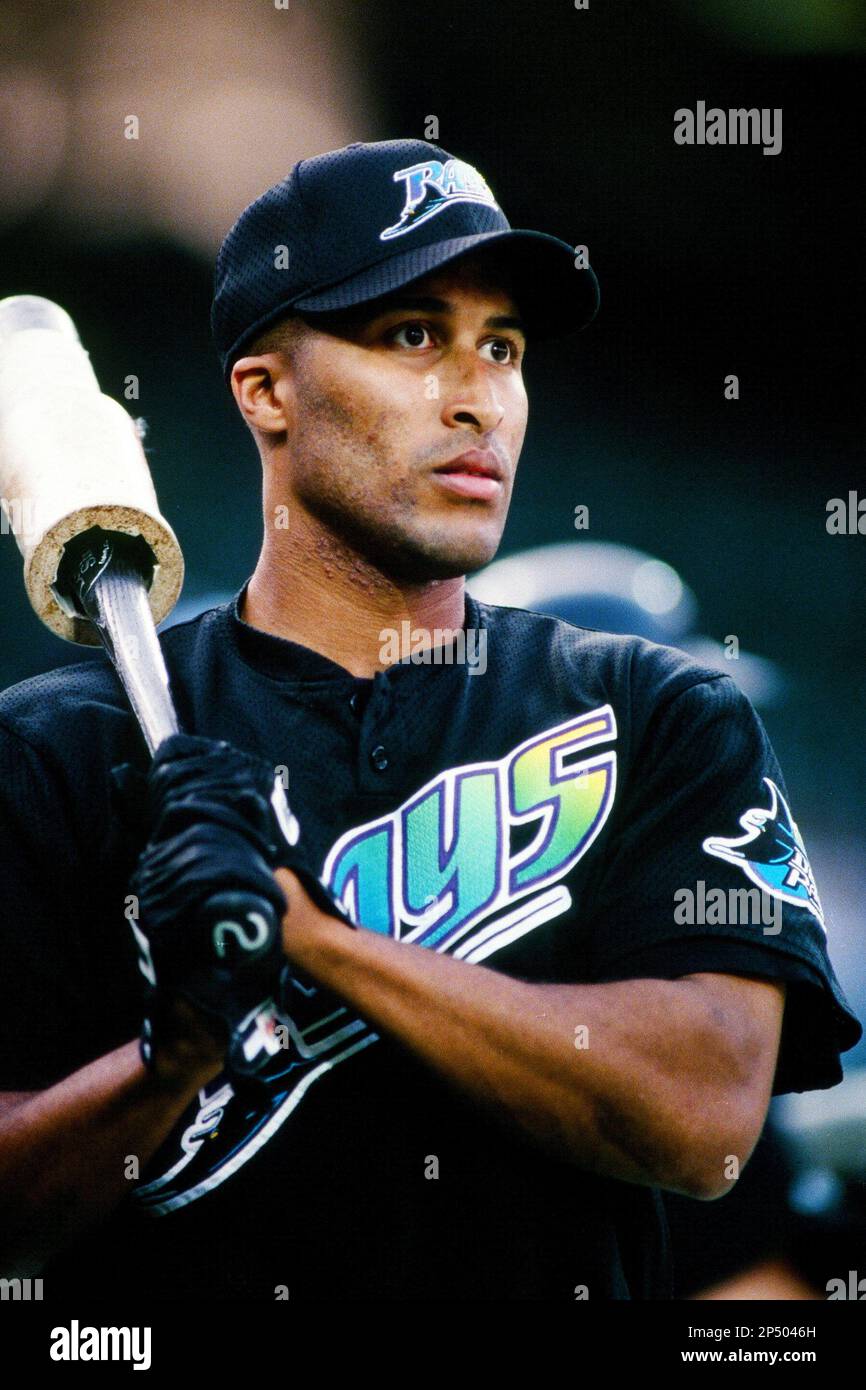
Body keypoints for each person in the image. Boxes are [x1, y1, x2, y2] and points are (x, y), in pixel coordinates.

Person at [0, 139, 859, 1301]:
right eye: (412, 336)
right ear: (265, 391)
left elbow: (700, 1121)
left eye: (498, 346)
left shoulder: (657, 710)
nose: (475, 396)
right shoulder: (57, 750)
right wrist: (177, 1053)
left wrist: (316, 943)